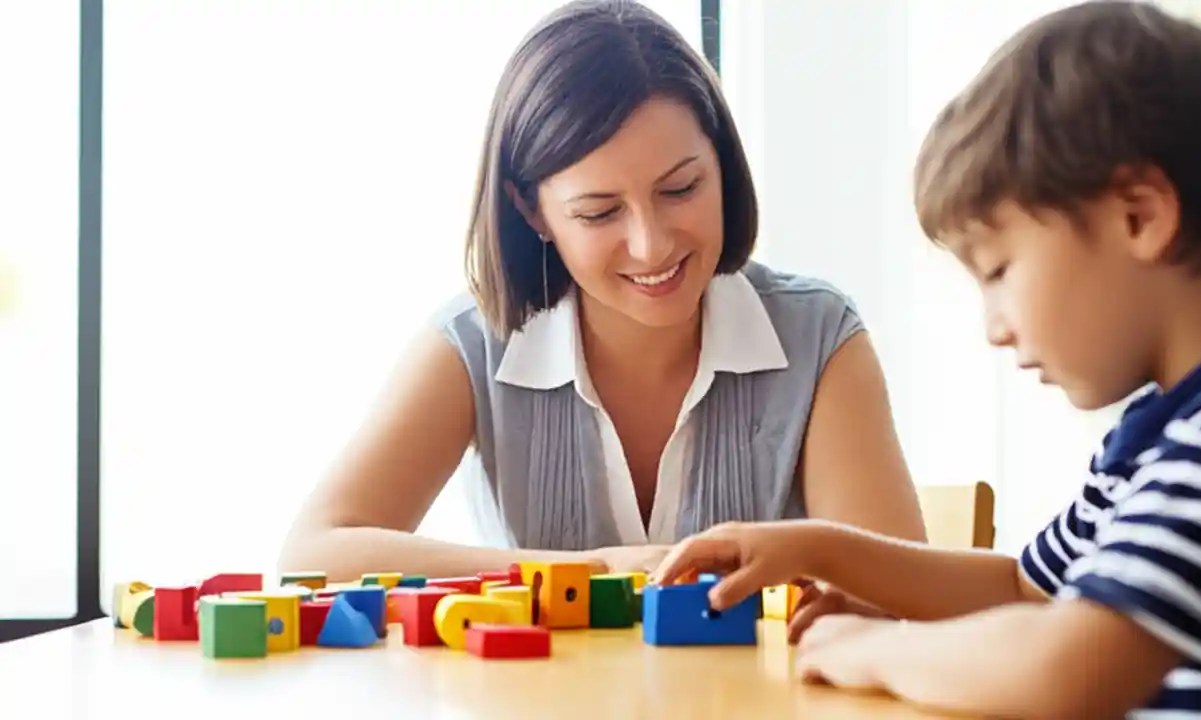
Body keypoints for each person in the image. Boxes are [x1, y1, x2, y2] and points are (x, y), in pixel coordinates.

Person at [653, 2, 1201, 717]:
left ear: (1139, 216)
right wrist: (815, 549)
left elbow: (1065, 666)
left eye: (1000, 269)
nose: (995, 328)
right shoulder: (1167, 429)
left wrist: (867, 650)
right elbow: (1025, 589)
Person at [277, 0, 925, 582]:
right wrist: (585, 571)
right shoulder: (474, 345)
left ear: (722, 167)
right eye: (598, 212)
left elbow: (901, 594)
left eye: (681, 189)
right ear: (532, 212)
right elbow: (314, 554)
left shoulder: (819, 336)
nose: (652, 245)